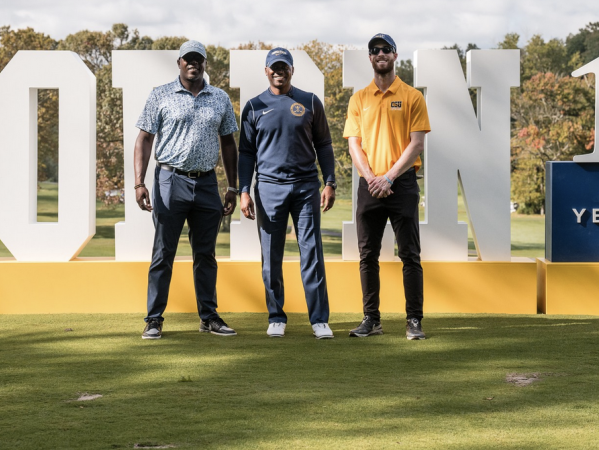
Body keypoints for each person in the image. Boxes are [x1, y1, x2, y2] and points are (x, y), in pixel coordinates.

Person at [133, 40, 239, 340]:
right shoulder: (161, 95)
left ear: (205, 63)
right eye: (188, 59)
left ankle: (209, 317)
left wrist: (232, 186)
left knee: (205, 254)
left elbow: (229, 143)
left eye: (199, 59)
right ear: (179, 62)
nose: (193, 63)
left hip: (206, 182)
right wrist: (139, 182)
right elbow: (144, 139)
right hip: (170, 180)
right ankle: (154, 319)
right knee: (163, 252)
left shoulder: (219, 98)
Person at [238, 48, 337, 339]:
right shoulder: (254, 106)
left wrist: (329, 182)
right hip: (268, 189)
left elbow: (325, 145)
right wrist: (244, 191)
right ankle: (276, 316)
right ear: (266, 71)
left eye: (284, 67)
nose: (278, 71)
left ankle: (319, 320)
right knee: (271, 257)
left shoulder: (309, 102)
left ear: (292, 70)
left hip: (306, 188)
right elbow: (246, 154)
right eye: (273, 67)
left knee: (312, 254)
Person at [342, 33, 431, 340]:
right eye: (374, 50)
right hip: (370, 184)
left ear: (395, 55)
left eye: (385, 49)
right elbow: (354, 146)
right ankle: (371, 319)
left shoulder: (412, 96)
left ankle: (414, 321)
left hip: (401, 183)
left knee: (410, 254)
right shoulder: (359, 99)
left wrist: (389, 177)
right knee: (367, 256)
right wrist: (371, 179)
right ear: (370, 58)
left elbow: (416, 144)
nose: (380, 53)